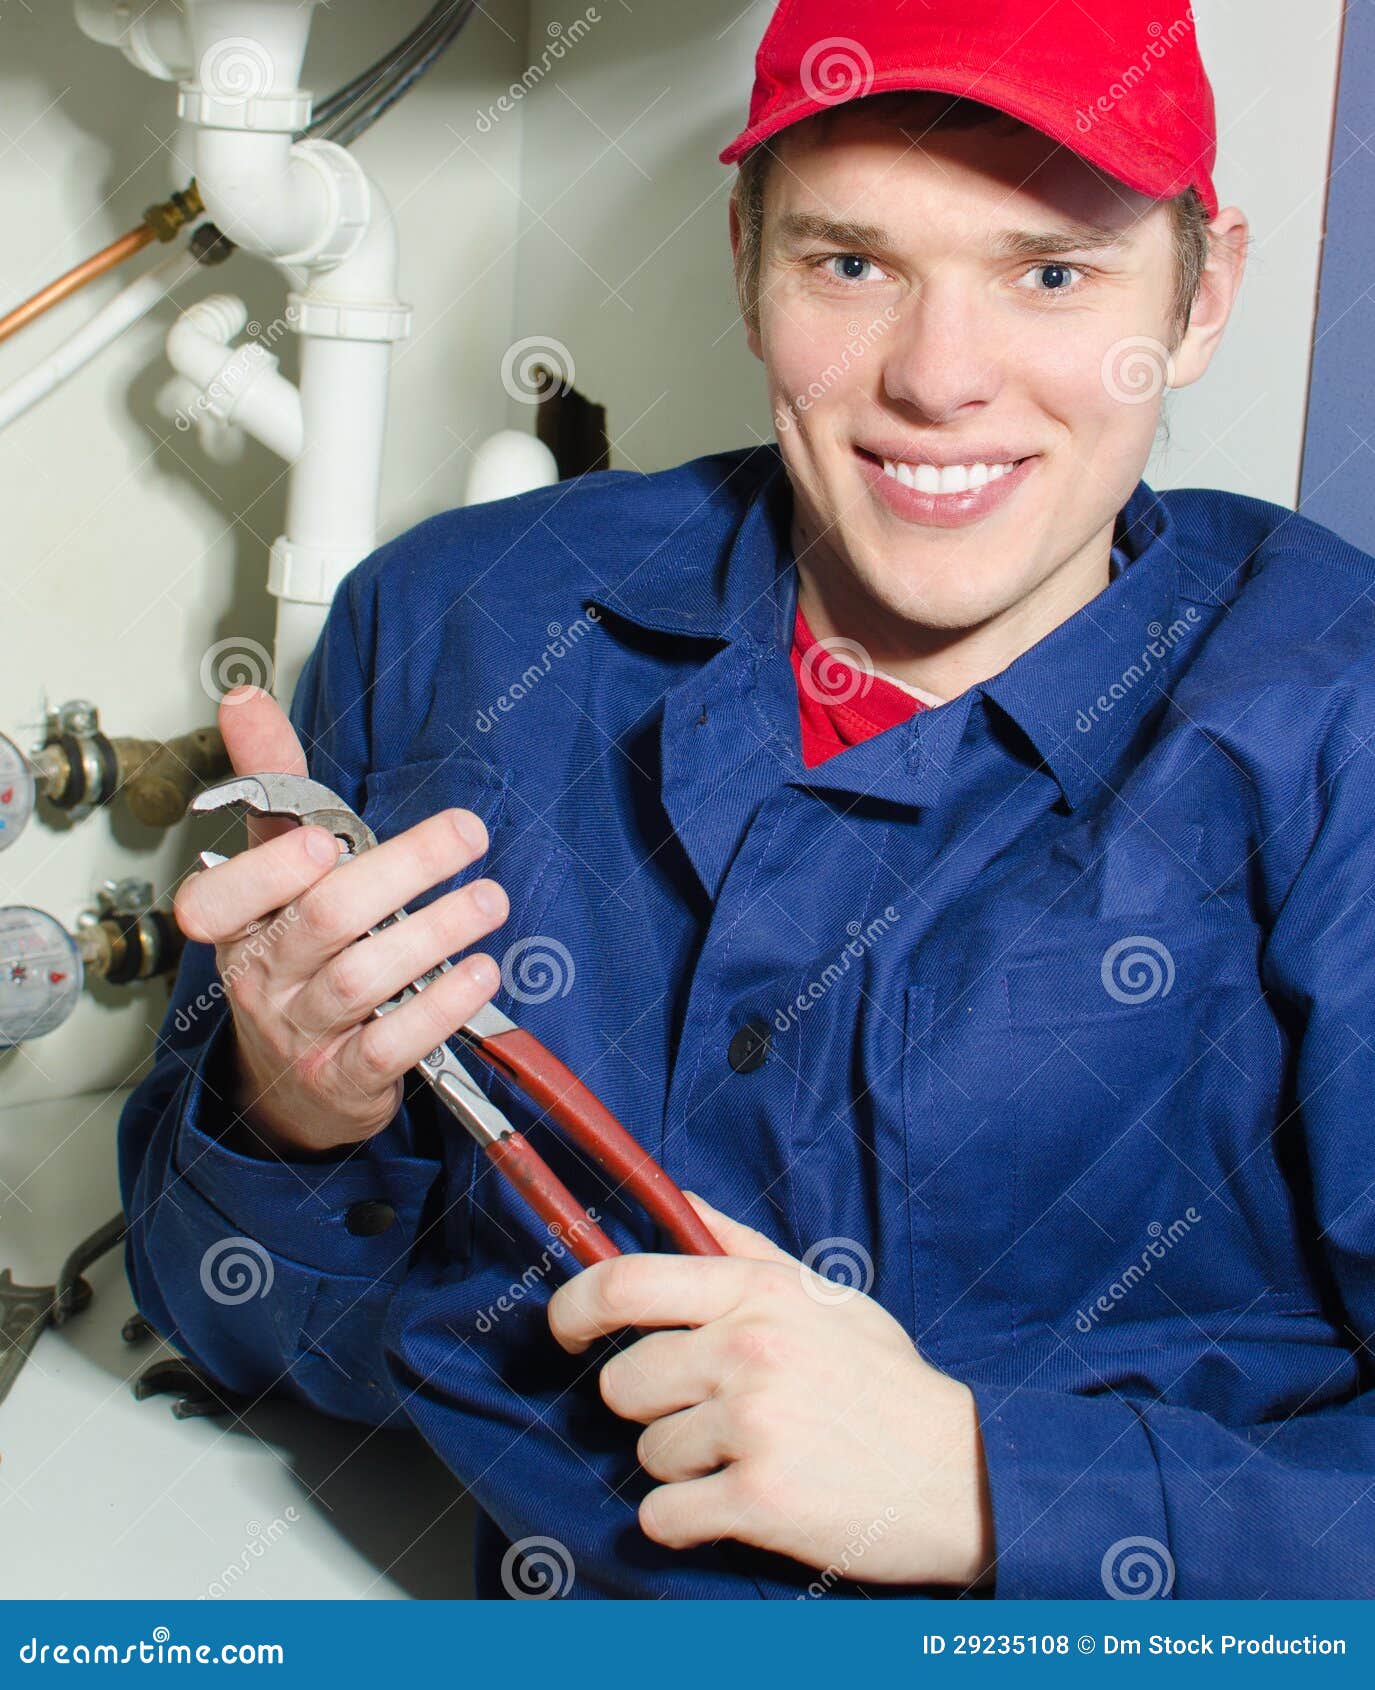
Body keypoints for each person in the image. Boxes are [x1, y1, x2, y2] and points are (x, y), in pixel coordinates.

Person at [119, 0, 1375, 1598]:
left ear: (1203, 298)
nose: (939, 379)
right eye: (850, 264)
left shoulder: (1334, 718)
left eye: (1051, 273)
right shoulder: (459, 625)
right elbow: (225, 1311)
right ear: (745, 260)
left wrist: (988, 1485)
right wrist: (294, 1113)